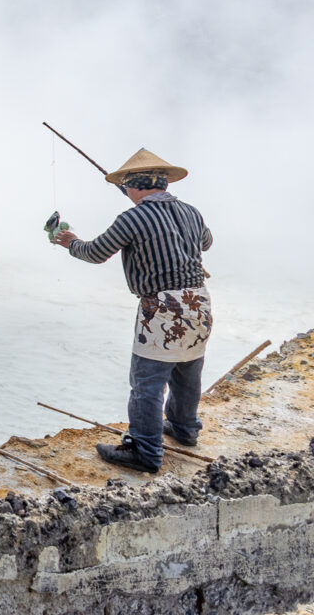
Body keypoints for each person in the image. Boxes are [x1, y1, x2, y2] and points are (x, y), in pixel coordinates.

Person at [52, 148, 212, 473]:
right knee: (186, 371)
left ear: (134, 187)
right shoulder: (192, 212)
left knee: (147, 384)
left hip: (162, 309)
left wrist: (69, 242)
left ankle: (145, 451)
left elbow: (96, 252)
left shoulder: (133, 217)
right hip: (200, 303)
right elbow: (206, 243)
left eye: (126, 186)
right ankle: (184, 429)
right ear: (163, 184)